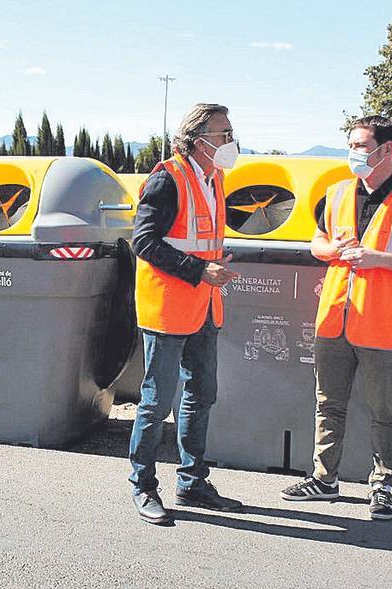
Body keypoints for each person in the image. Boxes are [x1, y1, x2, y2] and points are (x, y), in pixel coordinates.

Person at [280, 115, 392, 521]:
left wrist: (377, 259)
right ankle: (324, 479)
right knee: (328, 404)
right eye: (350, 144)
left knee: (384, 411)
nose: (352, 152)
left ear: (386, 150)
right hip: (333, 320)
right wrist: (330, 248)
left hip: (383, 324)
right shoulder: (336, 194)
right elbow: (317, 242)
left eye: (359, 145)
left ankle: (382, 484)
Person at [128, 103, 244, 525]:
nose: (231, 141)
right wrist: (199, 269)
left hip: (205, 306)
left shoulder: (215, 178)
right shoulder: (167, 178)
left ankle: (192, 482)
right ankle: (143, 486)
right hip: (168, 308)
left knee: (201, 395)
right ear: (200, 141)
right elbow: (143, 242)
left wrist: (211, 262)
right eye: (224, 134)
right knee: (157, 402)